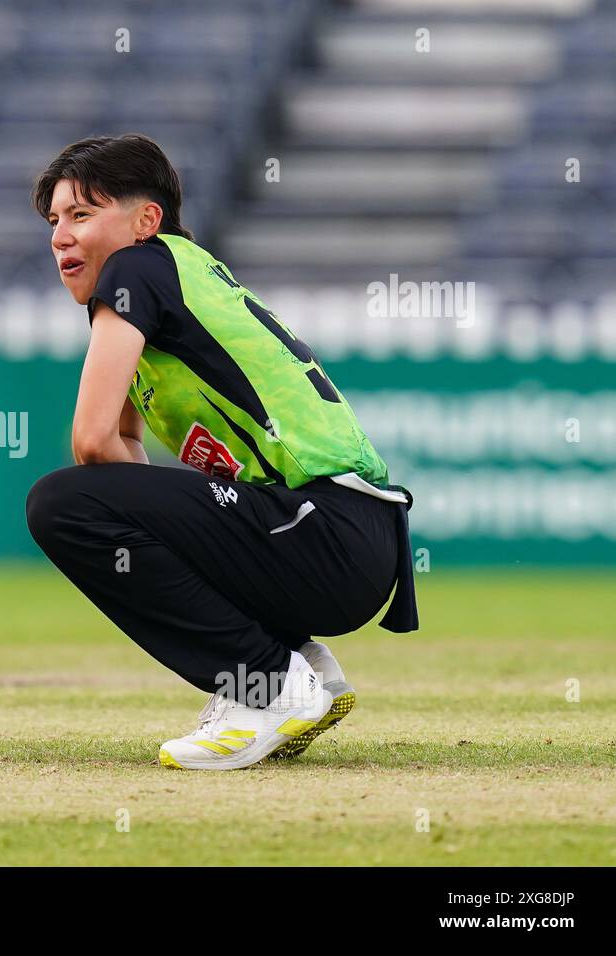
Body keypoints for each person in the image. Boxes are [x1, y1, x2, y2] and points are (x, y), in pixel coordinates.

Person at [25, 133, 418, 771]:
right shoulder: (172, 276)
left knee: (60, 504)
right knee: (110, 507)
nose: (60, 236)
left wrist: (148, 519)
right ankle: (301, 666)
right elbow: (123, 440)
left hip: (319, 528)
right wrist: (158, 520)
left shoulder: (138, 268)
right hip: (343, 541)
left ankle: (266, 685)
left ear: (144, 221)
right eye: (54, 220)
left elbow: (93, 440)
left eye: (82, 214)